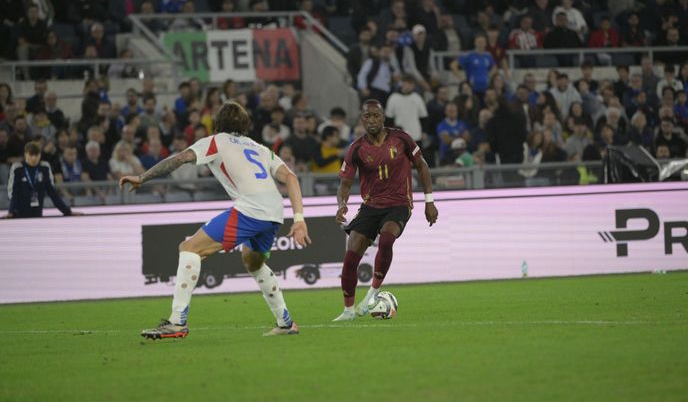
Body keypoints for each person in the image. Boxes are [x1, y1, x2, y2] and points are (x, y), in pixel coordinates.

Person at [119, 101, 311, 339]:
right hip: (274, 213)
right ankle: (286, 322)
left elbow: (179, 159)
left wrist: (142, 177)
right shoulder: (259, 147)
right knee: (253, 262)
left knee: (189, 248)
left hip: (250, 209)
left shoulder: (214, 141)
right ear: (245, 125)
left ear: (218, 123)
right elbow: (291, 177)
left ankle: (177, 322)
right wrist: (299, 219)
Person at [333, 100, 438, 321]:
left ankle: (372, 293)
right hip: (370, 206)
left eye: (376, 115)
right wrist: (342, 204)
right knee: (350, 258)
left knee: (387, 239)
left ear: (383, 117)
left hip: (399, 203)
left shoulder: (401, 138)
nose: (372, 120)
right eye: (367, 116)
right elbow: (344, 183)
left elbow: (422, 166)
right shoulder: (356, 148)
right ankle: (348, 311)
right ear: (362, 120)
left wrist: (429, 201)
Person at [5, 142, 80, 218]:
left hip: (37, 211)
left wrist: (67, 212)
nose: (34, 158)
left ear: (40, 155)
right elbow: (14, 192)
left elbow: (52, 193)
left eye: (36, 155)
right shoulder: (18, 168)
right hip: (19, 212)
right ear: (25, 154)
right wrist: (11, 211)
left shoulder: (44, 168)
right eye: (31, 155)